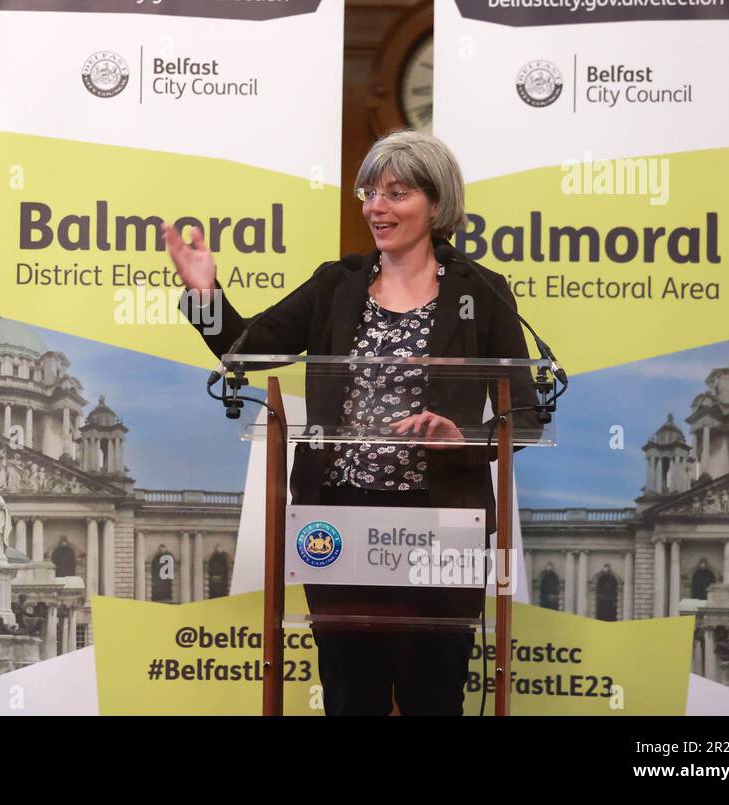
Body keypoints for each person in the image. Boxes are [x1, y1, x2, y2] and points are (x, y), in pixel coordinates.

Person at [164, 129, 539, 716]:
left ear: (436, 204)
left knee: (432, 692)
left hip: (440, 520)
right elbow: (247, 352)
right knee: (347, 690)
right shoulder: (336, 285)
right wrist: (204, 291)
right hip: (338, 516)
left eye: (396, 193)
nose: (375, 207)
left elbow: (528, 414)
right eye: (369, 192)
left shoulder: (481, 294)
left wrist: (461, 437)